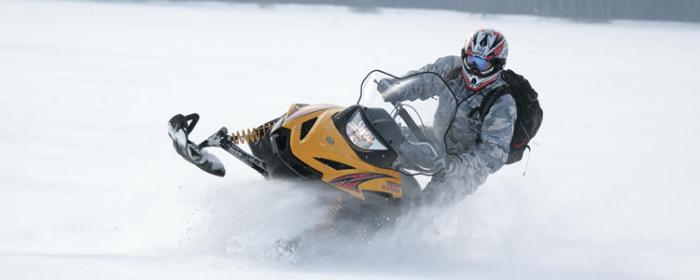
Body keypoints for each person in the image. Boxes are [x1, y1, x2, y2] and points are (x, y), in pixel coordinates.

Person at [379, 29, 518, 205]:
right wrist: (395, 88)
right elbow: (422, 81)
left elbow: (493, 154)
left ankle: (412, 229)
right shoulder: (451, 68)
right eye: (472, 60)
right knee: (382, 143)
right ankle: (367, 197)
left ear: (497, 66)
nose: (475, 68)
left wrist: (454, 165)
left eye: (482, 65)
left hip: (465, 167)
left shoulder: (502, 102)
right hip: (435, 141)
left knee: (425, 208)